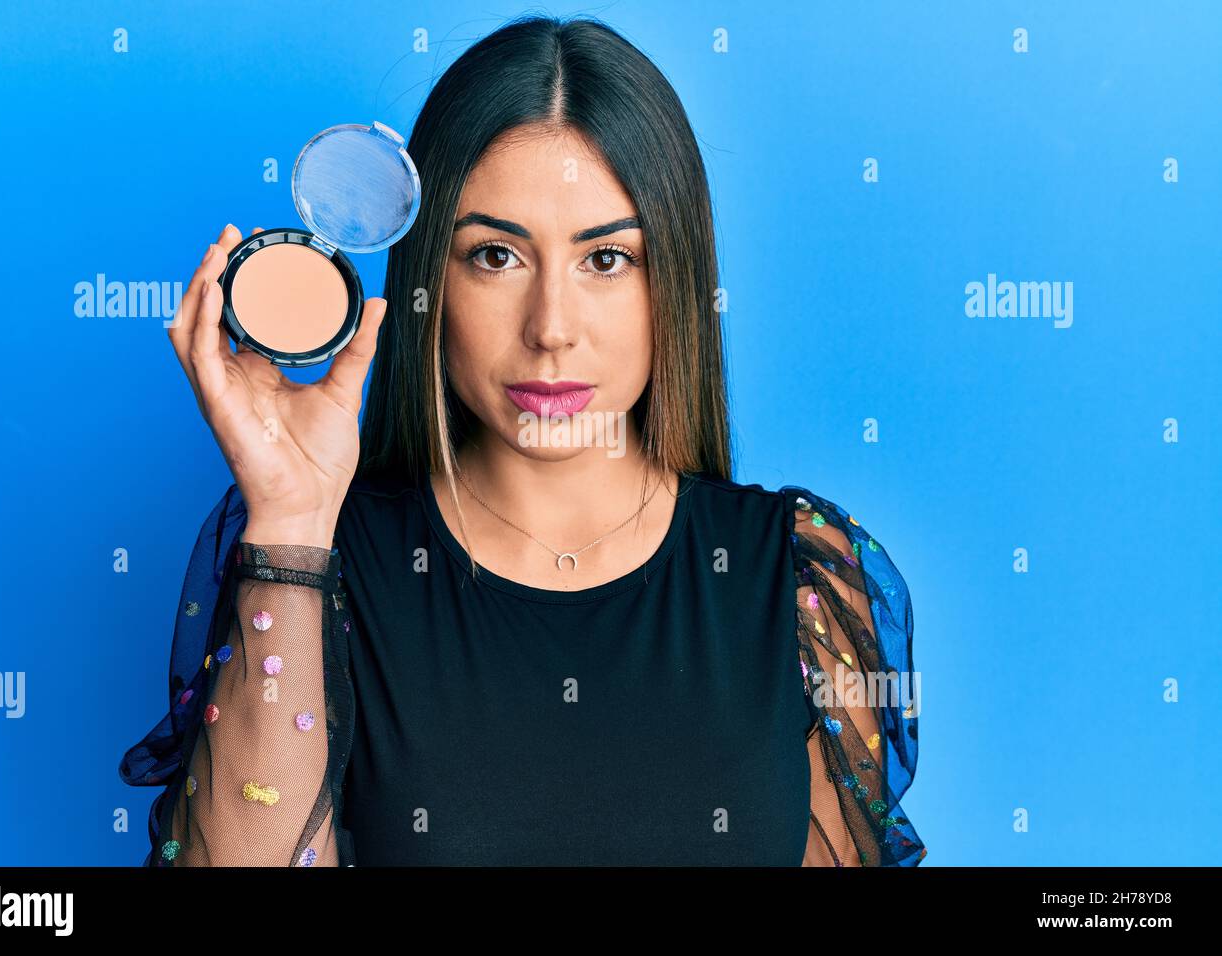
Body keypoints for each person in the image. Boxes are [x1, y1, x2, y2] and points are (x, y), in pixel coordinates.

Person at [120, 14, 924, 867]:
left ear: (675, 280)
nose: (551, 328)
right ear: (431, 275)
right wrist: (291, 514)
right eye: (495, 256)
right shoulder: (322, 563)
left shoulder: (796, 573)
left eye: (606, 260)